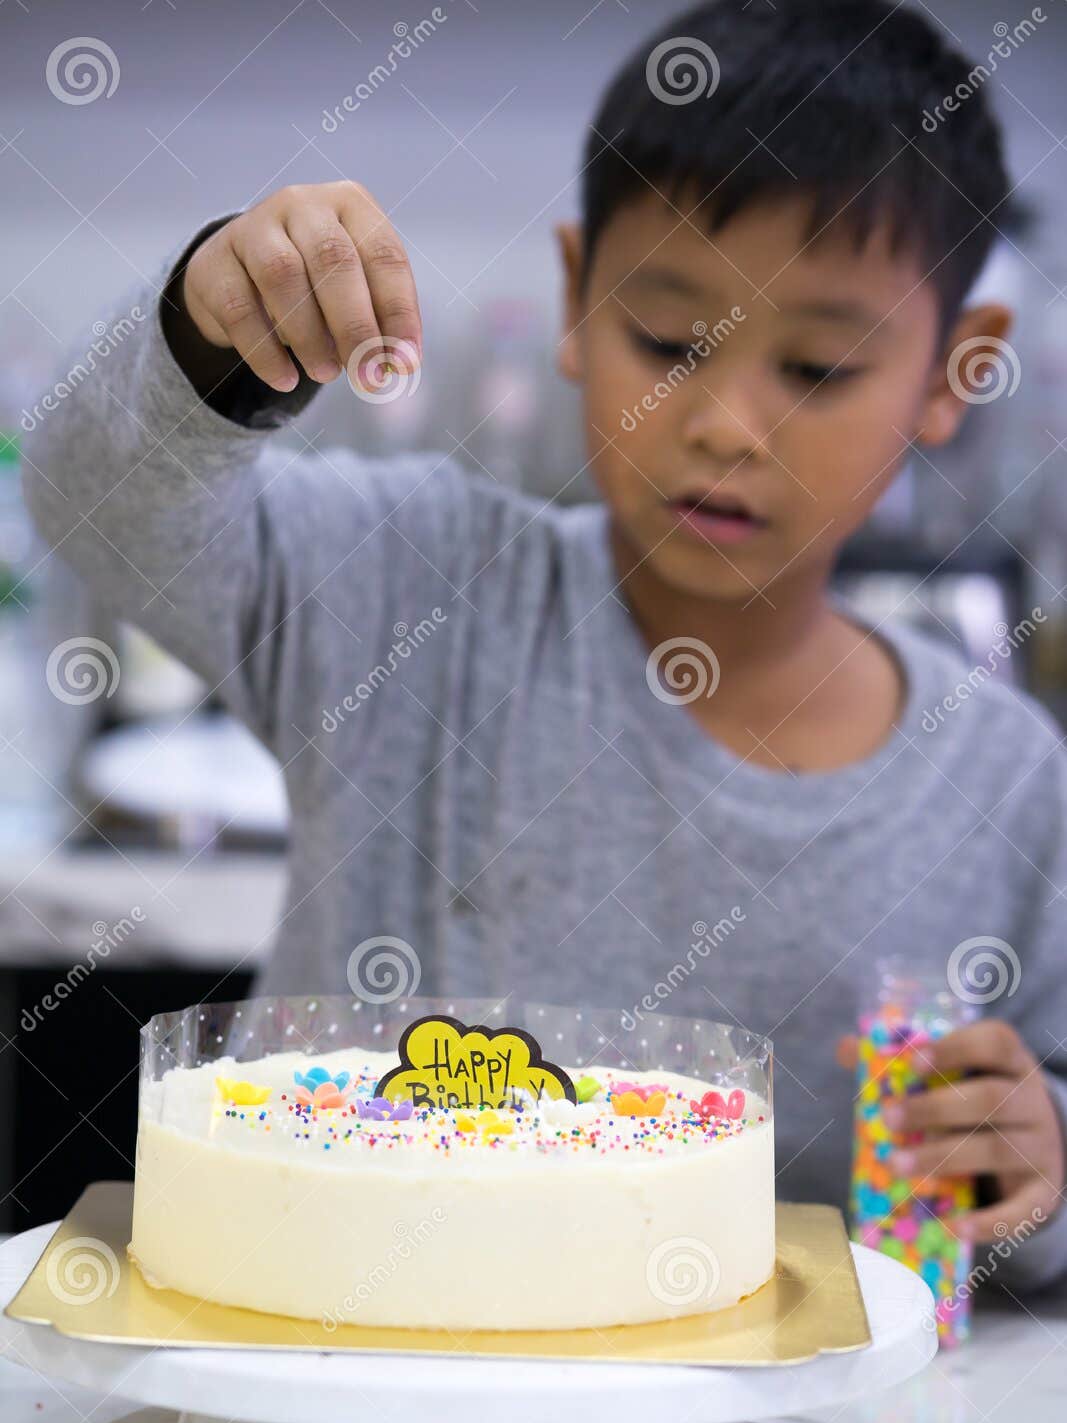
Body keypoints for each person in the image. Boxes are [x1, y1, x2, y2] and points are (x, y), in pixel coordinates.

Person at [22, 0, 1067, 1286]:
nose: (725, 426)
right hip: (346, 1387)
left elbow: (1018, 1189)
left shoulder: (1006, 788)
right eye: (669, 342)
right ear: (575, 299)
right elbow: (96, 500)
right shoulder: (412, 593)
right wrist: (210, 331)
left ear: (954, 372)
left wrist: (1032, 1168)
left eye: (816, 367)